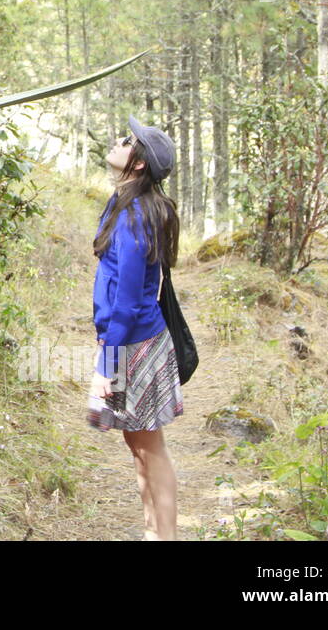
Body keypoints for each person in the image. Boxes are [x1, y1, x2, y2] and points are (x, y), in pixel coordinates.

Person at [87, 113, 183, 540]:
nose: (119, 141)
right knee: (138, 445)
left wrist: (105, 363)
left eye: (128, 140)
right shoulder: (124, 202)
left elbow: (126, 301)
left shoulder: (135, 215)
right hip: (127, 339)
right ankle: (152, 533)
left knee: (150, 447)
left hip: (135, 343)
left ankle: (164, 536)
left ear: (138, 162)